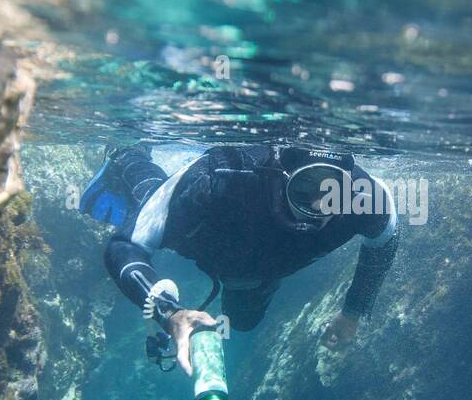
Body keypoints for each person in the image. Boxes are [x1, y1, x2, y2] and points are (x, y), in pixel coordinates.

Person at [79, 144, 399, 374]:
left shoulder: (365, 198)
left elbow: (385, 241)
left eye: (333, 192)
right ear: (280, 175)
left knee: (244, 323)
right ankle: (128, 156)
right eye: (304, 189)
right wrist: (169, 313)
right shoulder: (217, 179)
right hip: (209, 236)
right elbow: (123, 246)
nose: (318, 208)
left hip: (257, 272)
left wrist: (353, 313)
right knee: (153, 195)